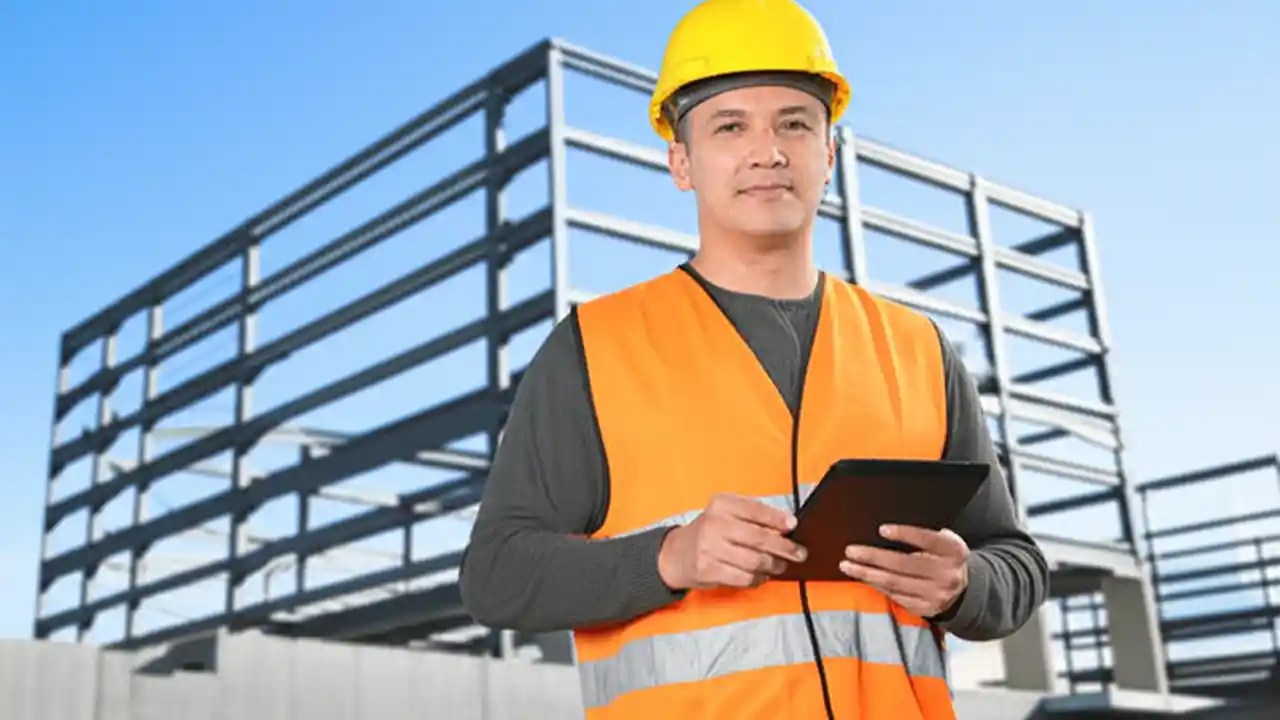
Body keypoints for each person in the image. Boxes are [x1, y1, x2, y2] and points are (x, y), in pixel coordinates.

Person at [459, 1, 1049, 717]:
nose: (767, 150)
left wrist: (965, 586)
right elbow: (495, 574)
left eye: (795, 123)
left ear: (829, 152)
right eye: (730, 125)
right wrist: (668, 558)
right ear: (681, 160)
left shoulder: (918, 352)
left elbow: (1014, 562)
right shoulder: (594, 349)